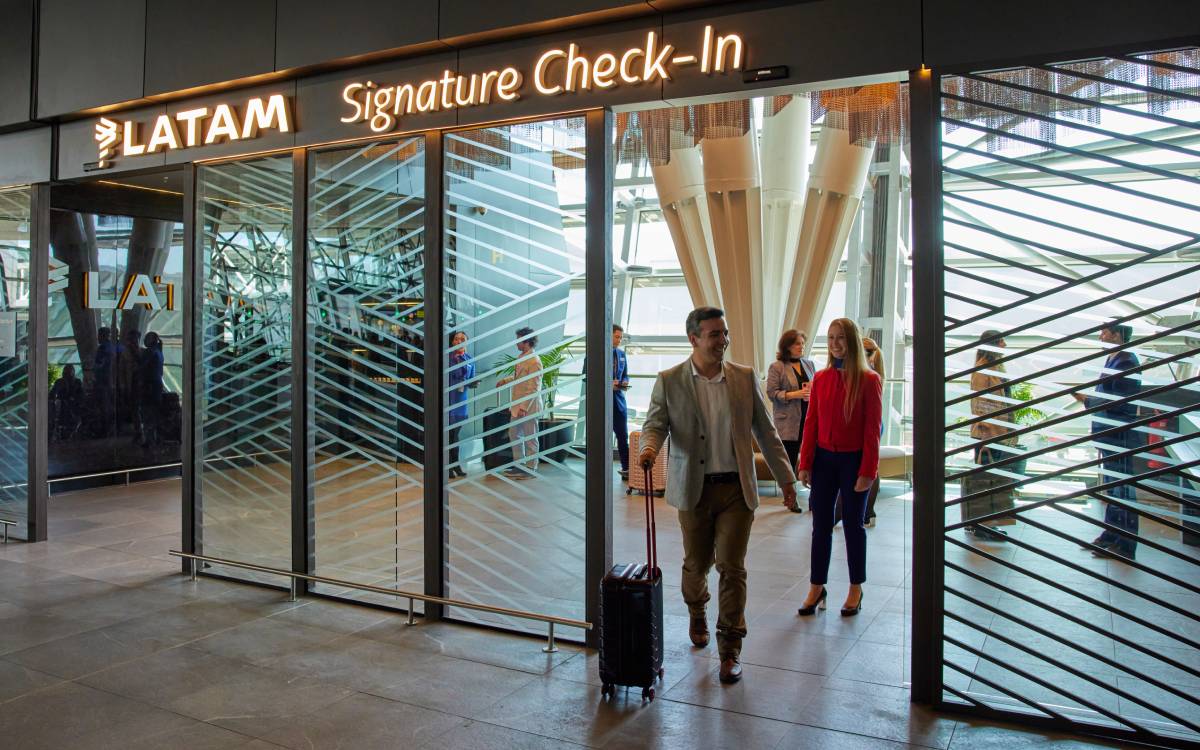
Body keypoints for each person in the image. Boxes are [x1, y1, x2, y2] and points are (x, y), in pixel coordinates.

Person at [639, 306, 797, 685]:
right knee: (696, 566)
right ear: (693, 338)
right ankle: (697, 611)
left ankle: (730, 650)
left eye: (724, 334)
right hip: (694, 490)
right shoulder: (670, 379)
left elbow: (766, 432)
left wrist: (787, 481)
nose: (722, 341)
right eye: (714, 334)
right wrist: (647, 449)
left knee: (732, 566)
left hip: (735, 490)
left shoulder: (744, 378)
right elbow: (654, 424)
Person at [794, 318, 882, 618]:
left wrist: (868, 470)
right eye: (831, 337)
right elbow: (812, 423)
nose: (835, 343)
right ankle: (817, 585)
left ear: (852, 341)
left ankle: (856, 587)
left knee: (854, 526)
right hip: (823, 461)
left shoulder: (869, 380)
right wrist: (805, 463)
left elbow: (873, 430)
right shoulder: (821, 378)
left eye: (841, 337)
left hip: (853, 462)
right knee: (820, 527)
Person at [1073, 322, 1141, 561]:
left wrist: (1087, 401)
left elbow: (1118, 402)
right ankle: (1112, 536)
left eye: (1105, 332)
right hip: (1111, 435)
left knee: (1122, 490)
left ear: (1118, 335)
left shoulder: (1126, 361)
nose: (1100, 335)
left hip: (1118, 436)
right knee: (1115, 489)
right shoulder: (1115, 359)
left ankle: (1124, 544)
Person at [965, 331, 1017, 541]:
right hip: (987, 434)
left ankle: (984, 523)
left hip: (997, 432)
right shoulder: (983, 369)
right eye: (1001, 340)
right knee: (985, 481)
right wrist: (986, 432)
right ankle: (981, 524)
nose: (1005, 344)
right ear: (993, 344)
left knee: (990, 480)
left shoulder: (996, 367)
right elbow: (980, 404)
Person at [765, 329, 816, 513]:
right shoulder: (777, 367)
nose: (801, 347)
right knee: (789, 460)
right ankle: (791, 499)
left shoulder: (809, 364)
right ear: (787, 346)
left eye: (803, 343)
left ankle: (815, 500)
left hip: (809, 418)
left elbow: (814, 388)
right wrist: (795, 394)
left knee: (813, 459)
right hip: (788, 422)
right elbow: (771, 393)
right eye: (797, 343)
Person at [497, 327, 542, 479]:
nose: (516, 343)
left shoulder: (534, 361)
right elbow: (520, 377)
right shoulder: (522, 357)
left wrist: (523, 407)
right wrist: (506, 380)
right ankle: (519, 465)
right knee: (514, 433)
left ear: (526, 341)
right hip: (518, 405)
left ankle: (531, 468)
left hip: (528, 407)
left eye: (518, 340)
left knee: (530, 437)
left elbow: (533, 387)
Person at [861, 337, 886, 527]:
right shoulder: (876, 372)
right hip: (876, 423)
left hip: (867, 423)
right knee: (870, 463)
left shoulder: (867, 375)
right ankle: (869, 512)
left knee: (869, 465)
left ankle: (867, 511)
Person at [447, 331, 475, 479]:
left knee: (455, 436)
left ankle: (454, 466)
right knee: (450, 437)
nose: (459, 341)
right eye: (456, 339)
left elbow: (471, 378)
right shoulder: (447, 359)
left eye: (462, 339)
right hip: (448, 402)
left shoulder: (469, 359)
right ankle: (451, 467)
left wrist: (472, 383)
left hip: (460, 402)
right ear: (452, 342)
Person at [137, 332, 165, 448]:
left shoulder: (149, 352)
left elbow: (142, 367)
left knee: (147, 414)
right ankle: (156, 438)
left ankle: (149, 440)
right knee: (154, 413)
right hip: (157, 386)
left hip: (148, 386)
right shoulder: (159, 352)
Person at [611, 325, 631, 480]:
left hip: (619, 401)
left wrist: (624, 382)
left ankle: (627, 469)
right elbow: (587, 377)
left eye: (620, 337)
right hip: (602, 403)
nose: (619, 340)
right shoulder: (594, 354)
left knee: (622, 436)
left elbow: (625, 375)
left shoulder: (622, 354)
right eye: (617, 337)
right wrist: (607, 384)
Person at [49, 364, 84, 441]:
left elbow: (81, 394)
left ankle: (71, 431)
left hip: (74, 405)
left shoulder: (77, 382)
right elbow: (53, 393)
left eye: (70, 371)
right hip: (62, 405)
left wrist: (74, 399)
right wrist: (55, 399)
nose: (68, 373)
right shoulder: (59, 382)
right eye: (66, 371)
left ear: (73, 372)